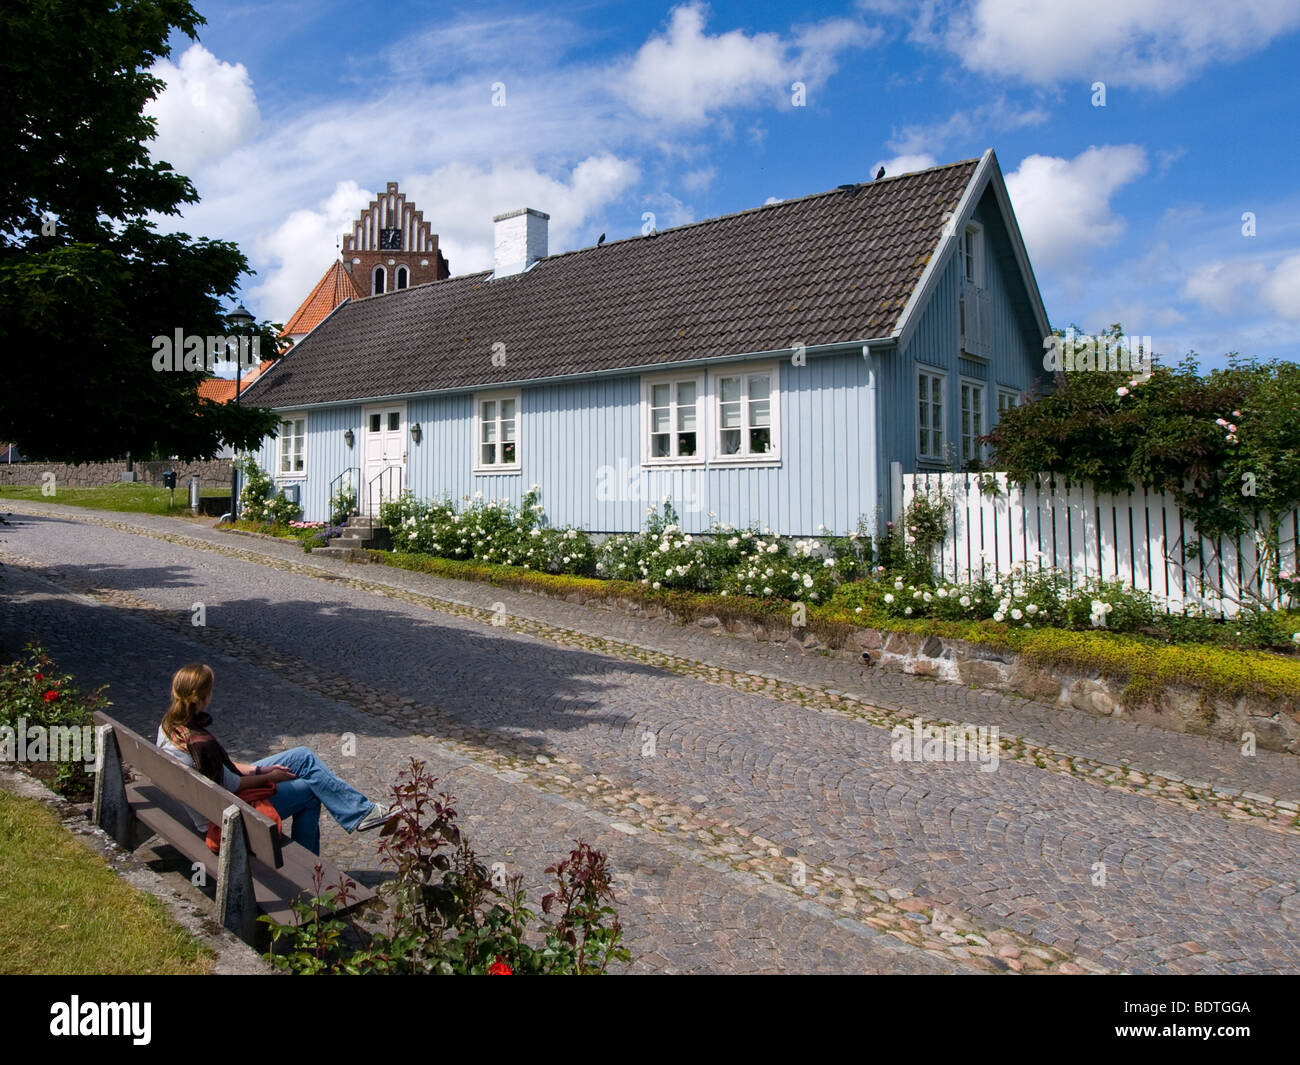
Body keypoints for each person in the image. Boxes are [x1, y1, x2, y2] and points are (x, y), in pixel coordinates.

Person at [156, 662, 394, 854]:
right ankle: (308, 868)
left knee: (303, 757)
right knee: (310, 792)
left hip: (209, 797)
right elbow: (231, 784)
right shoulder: (200, 743)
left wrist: (258, 771)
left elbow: (220, 771)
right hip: (225, 813)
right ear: (203, 696)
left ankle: (361, 811)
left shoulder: (169, 725)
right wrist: (271, 776)